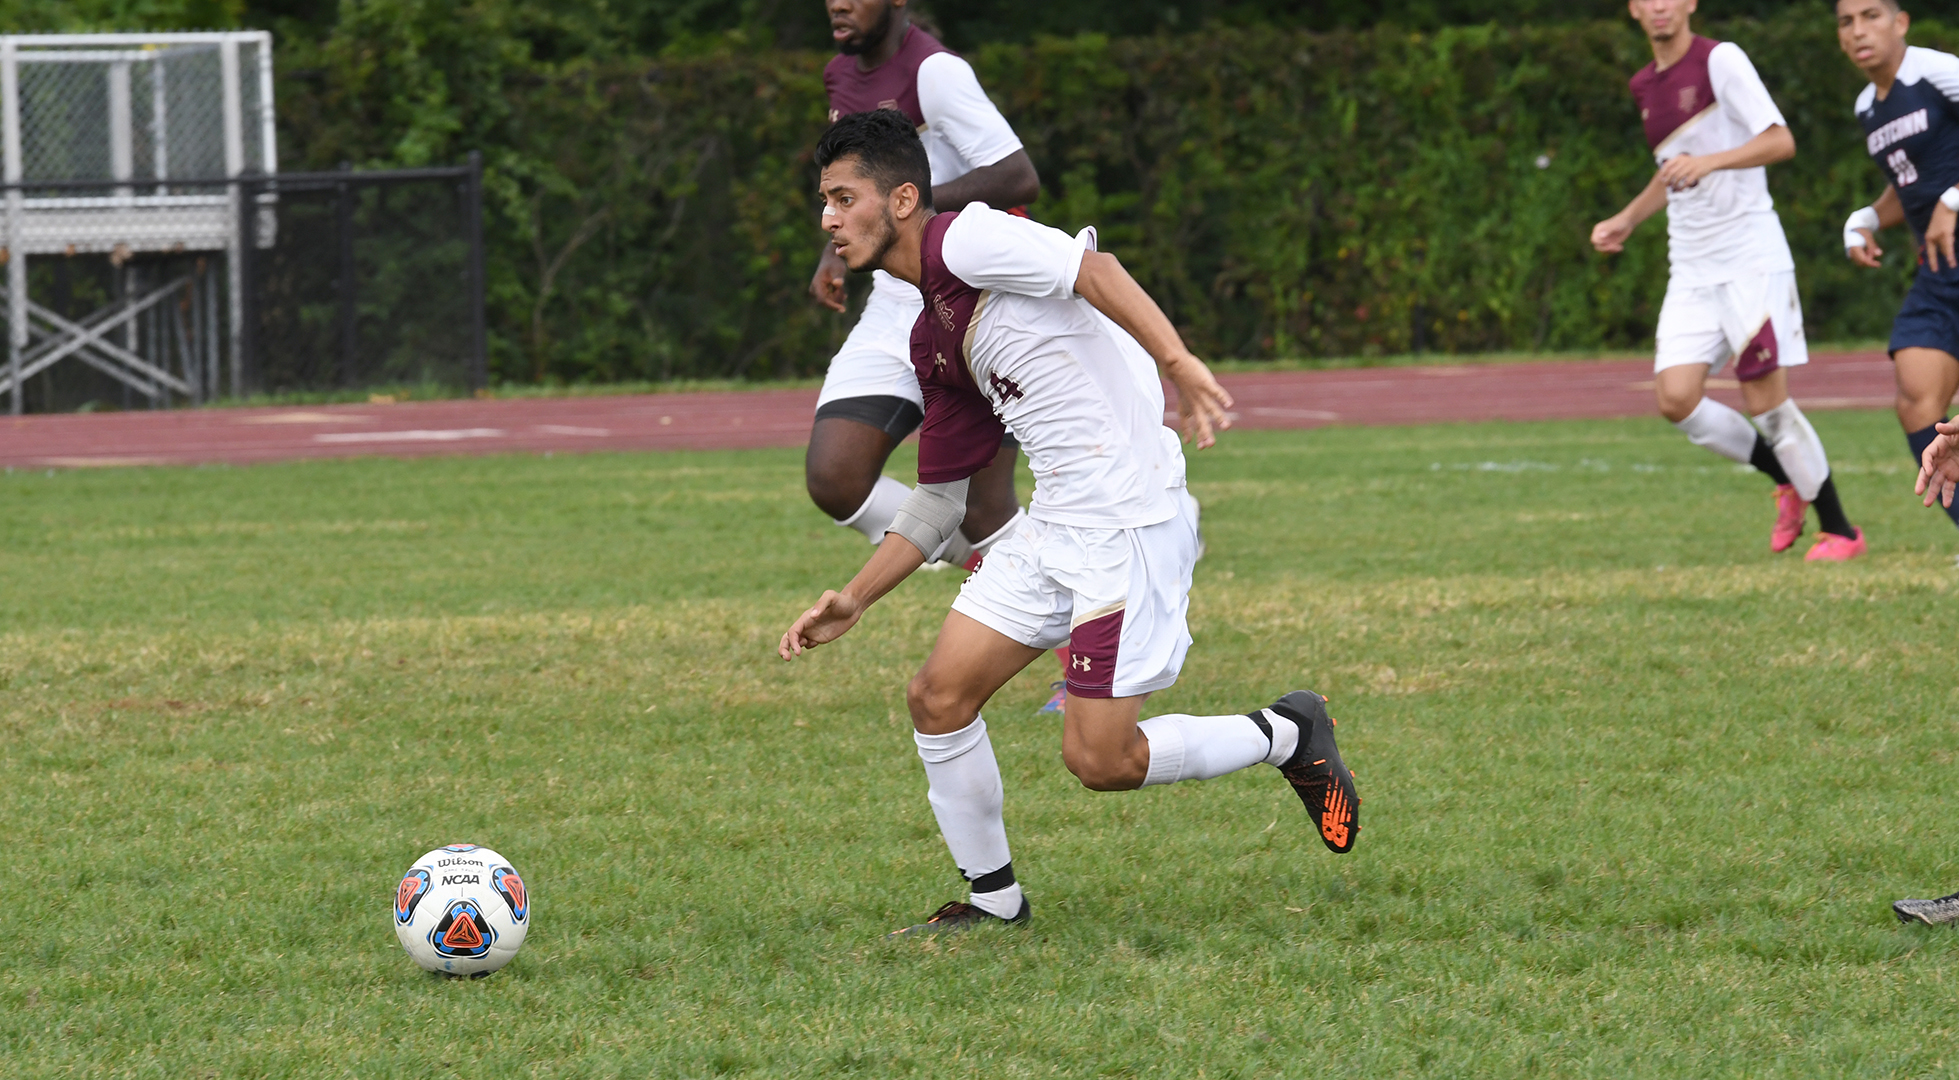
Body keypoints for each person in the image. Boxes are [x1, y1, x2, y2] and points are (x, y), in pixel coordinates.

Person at [778, 111, 1361, 936]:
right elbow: (939, 500)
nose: (829, 219)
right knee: (937, 697)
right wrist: (855, 598)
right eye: (824, 201)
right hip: (1054, 523)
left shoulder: (966, 241)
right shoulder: (930, 336)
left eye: (844, 198)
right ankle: (994, 904)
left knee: (1100, 761)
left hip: (1127, 521)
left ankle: (1284, 731)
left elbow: (1096, 270)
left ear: (902, 199)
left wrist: (1179, 364)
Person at [810, 0, 1073, 714]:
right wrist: (832, 254)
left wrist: (911, 210)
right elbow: (853, 177)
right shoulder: (841, 73)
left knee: (987, 504)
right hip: (889, 302)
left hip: (957, 294)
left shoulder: (937, 73)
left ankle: (1077, 652)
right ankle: (1009, 578)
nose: (837, 1)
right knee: (835, 475)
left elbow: (1017, 178)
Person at [1591, 0, 1863, 561]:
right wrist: (1626, 218)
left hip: (1749, 259)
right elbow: (1672, 173)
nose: (1660, 6)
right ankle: (1783, 477)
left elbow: (1779, 140)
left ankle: (1840, 530)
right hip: (1690, 267)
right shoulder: (1643, 84)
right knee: (1676, 399)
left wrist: (1712, 162)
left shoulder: (1720, 61)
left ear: (1689, 3)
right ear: (1634, 10)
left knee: (1767, 403)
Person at [1837, 0, 1959, 540]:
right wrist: (1865, 218)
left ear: (1901, 22)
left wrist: (1956, 199)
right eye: (1846, 21)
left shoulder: (1936, 72)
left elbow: (1943, 189)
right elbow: (1910, 181)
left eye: (1871, 15)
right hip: (1941, 267)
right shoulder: (1869, 107)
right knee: (1916, 397)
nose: (1859, 30)